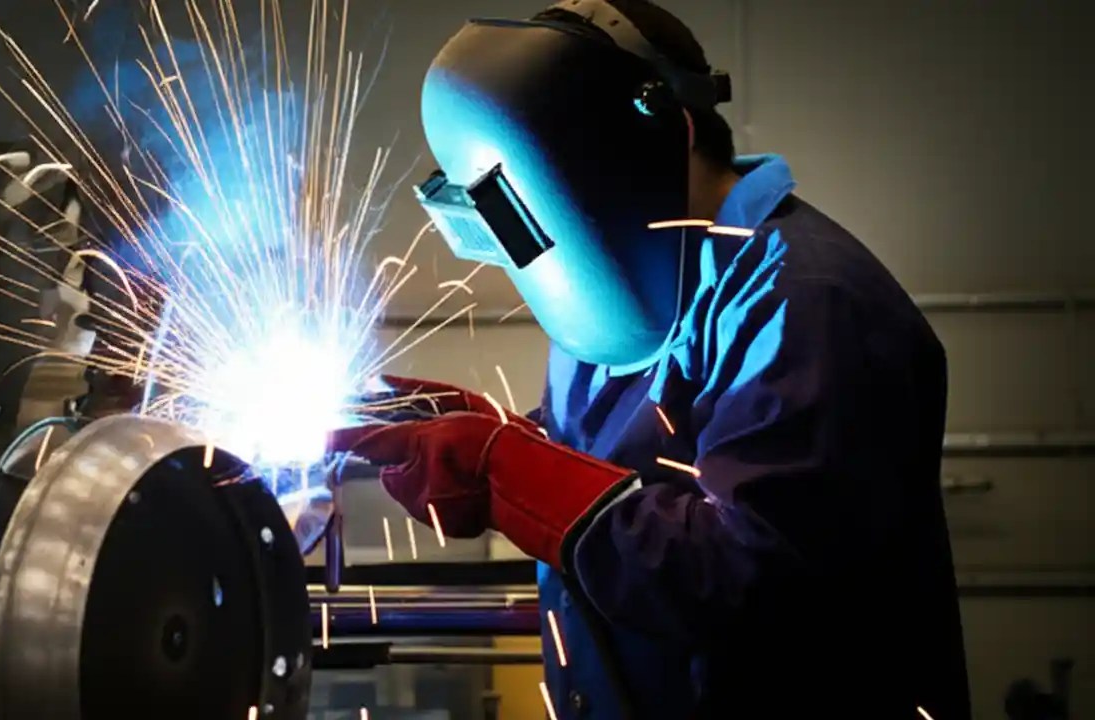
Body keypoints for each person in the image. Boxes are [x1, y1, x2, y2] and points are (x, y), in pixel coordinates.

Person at [330, 1, 972, 717]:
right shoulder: (620, 287)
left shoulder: (808, 303)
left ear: (668, 133)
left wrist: (506, 468)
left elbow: (747, 577)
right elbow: (637, 469)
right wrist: (505, 441)